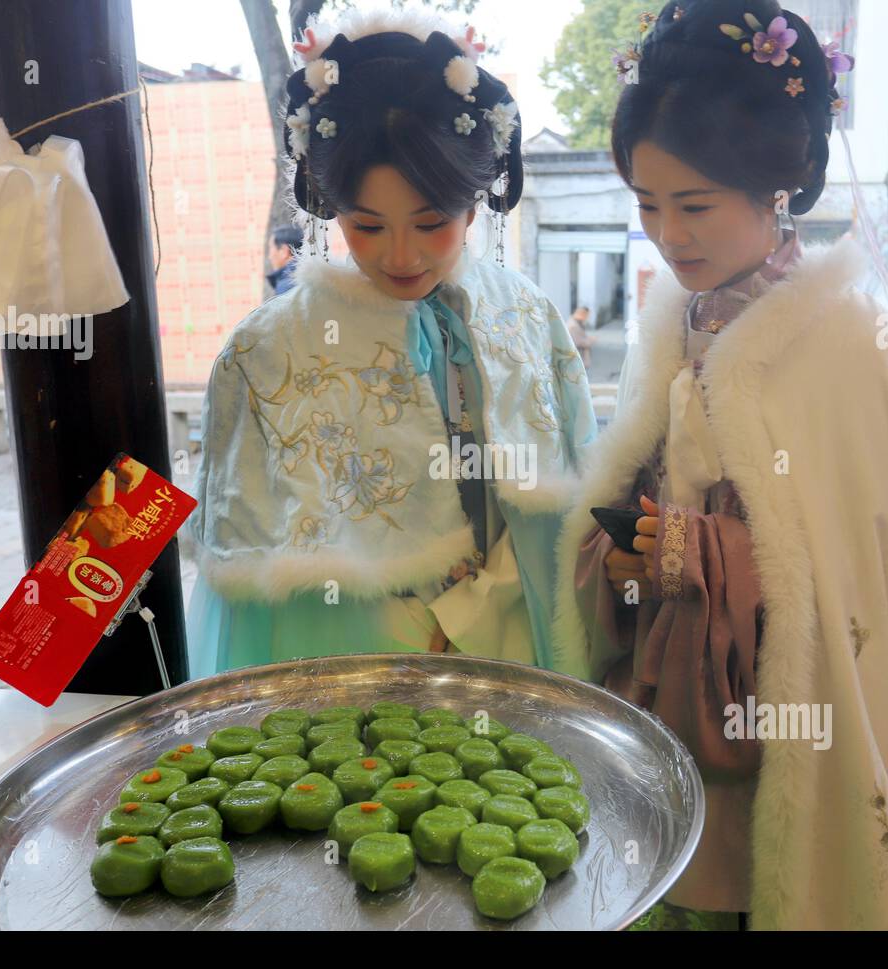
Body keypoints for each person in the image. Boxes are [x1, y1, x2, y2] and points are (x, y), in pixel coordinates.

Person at [553, 0, 888, 930]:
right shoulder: (670, 322)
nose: (671, 236)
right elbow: (627, 504)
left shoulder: (855, 346)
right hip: (676, 695)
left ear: (775, 190)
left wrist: (694, 553)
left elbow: (851, 589)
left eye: (696, 205)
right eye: (647, 207)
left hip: (786, 720)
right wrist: (625, 552)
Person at [186, 9, 596, 677]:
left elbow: (566, 511)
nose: (401, 255)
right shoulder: (266, 350)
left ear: (473, 205)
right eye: (368, 225)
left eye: (431, 223)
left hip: (514, 637)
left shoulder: (525, 317)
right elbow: (253, 561)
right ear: (329, 205)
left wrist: (480, 603)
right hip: (349, 655)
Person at [266, 226, 303, 295]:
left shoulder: (286, 286)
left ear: (284, 251)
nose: (270, 257)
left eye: (271, 248)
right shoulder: (314, 278)